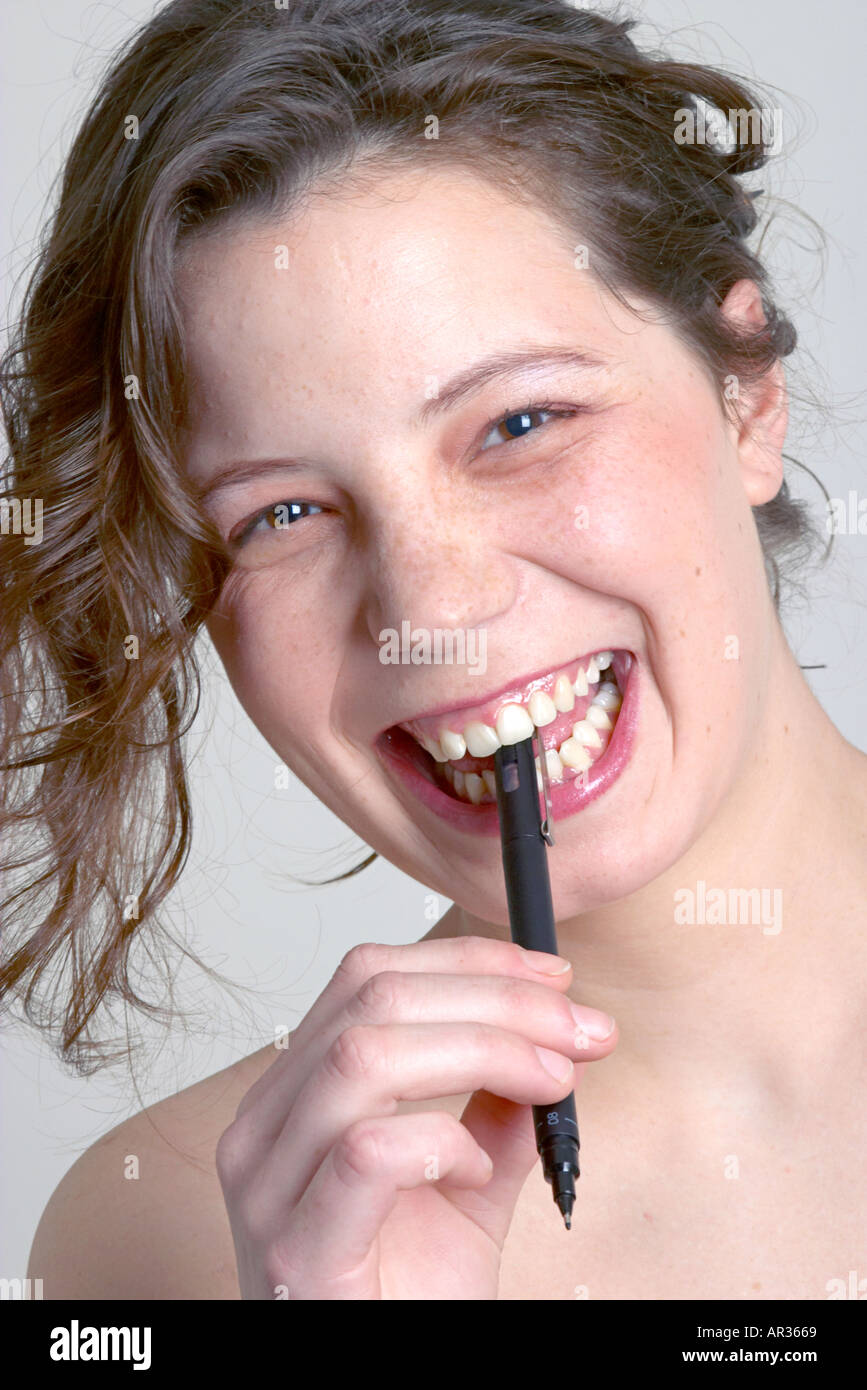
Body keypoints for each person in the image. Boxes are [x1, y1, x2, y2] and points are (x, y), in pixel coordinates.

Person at [5, 0, 864, 1300]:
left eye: (522, 420)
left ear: (746, 393)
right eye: (281, 513)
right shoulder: (160, 1243)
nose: (433, 605)